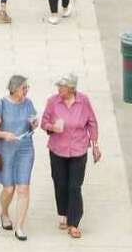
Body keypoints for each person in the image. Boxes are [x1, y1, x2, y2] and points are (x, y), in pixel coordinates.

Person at [41, 72, 102, 238]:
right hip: (57, 149)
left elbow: (92, 123)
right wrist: (52, 127)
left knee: (75, 186)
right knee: (60, 183)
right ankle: (63, 213)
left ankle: (74, 223)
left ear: (71, 88)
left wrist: (95, 144)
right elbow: (43, 122)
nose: (59, 89)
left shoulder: (83, 101)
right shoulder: (52, 102)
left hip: (78, 149)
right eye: (58, 86)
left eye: (62, 86)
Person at [0, 74, 40, 242]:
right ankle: (4, 212)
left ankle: (19, 227)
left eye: (27, 88)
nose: (26, 91)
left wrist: (34, 123)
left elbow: (33, 120)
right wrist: (5, 134)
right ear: (14, 88)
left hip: (25, 148)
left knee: (23, 189)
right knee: (9, 189)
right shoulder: (1, 104)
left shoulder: (28, 103)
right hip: (6, 150)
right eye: (23, 88)